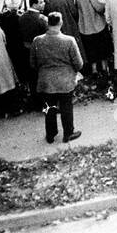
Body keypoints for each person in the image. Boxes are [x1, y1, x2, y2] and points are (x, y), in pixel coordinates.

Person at [29, 11, 83, 143]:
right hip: (65, 80)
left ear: (48, 24)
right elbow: (79, 63)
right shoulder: (69, 40)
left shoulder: (37, 41)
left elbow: (32, 63)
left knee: (49, 108)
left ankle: (51, 134)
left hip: (46, 81)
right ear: (61, 23)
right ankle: (68, 133)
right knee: (66, 107)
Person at [73, 0, 110, 81]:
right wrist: (106, 0)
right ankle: (105, 69)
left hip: (84, 24)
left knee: (90, 49)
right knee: (102, 48)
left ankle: (94, 70)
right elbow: (99, 7)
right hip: (96, 24)